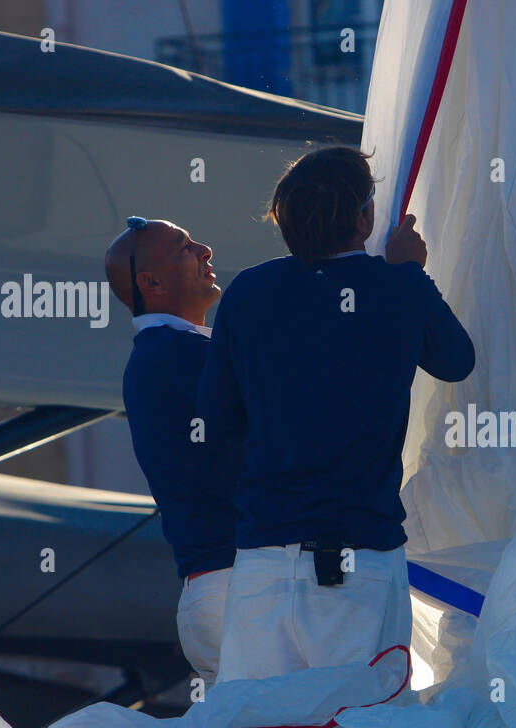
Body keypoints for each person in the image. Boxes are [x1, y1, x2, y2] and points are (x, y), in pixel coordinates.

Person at [197, 146, 475, 683]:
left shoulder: (248, 292)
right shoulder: (395, 288)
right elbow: (457, 361)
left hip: (260, 558)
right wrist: (411, 275)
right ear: (365, 216)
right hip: (360, 556)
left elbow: (217, 420)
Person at [106, 217, 242, 685]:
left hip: (222, 589)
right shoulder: (179, 356)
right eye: (186, 247)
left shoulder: (166, 354)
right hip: (240, 590)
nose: (205, 249)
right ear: (152, 282)